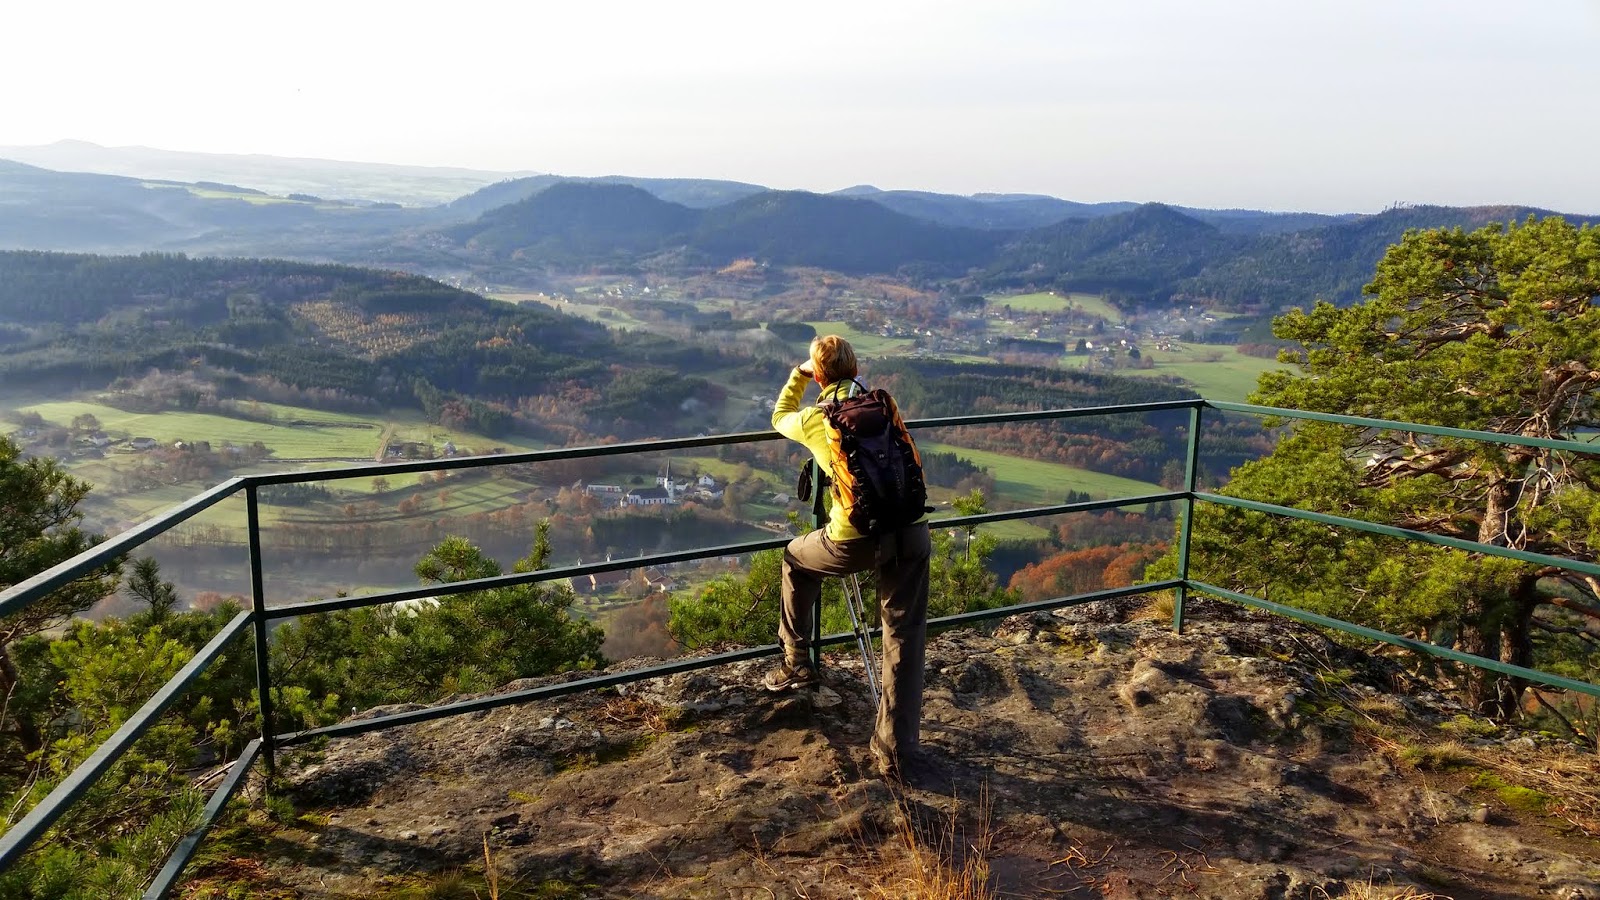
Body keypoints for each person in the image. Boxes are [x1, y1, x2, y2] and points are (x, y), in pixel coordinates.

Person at [764, 334, 933, 780]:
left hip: (856, 540)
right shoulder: (883, 404)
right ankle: (896, 751)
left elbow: (779, 416)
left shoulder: (818, 418)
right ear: (856, 370)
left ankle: (795, 660)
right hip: (913, 532)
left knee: (795, 561)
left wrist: (797, 376)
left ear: (818, 374)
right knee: (904, 635)